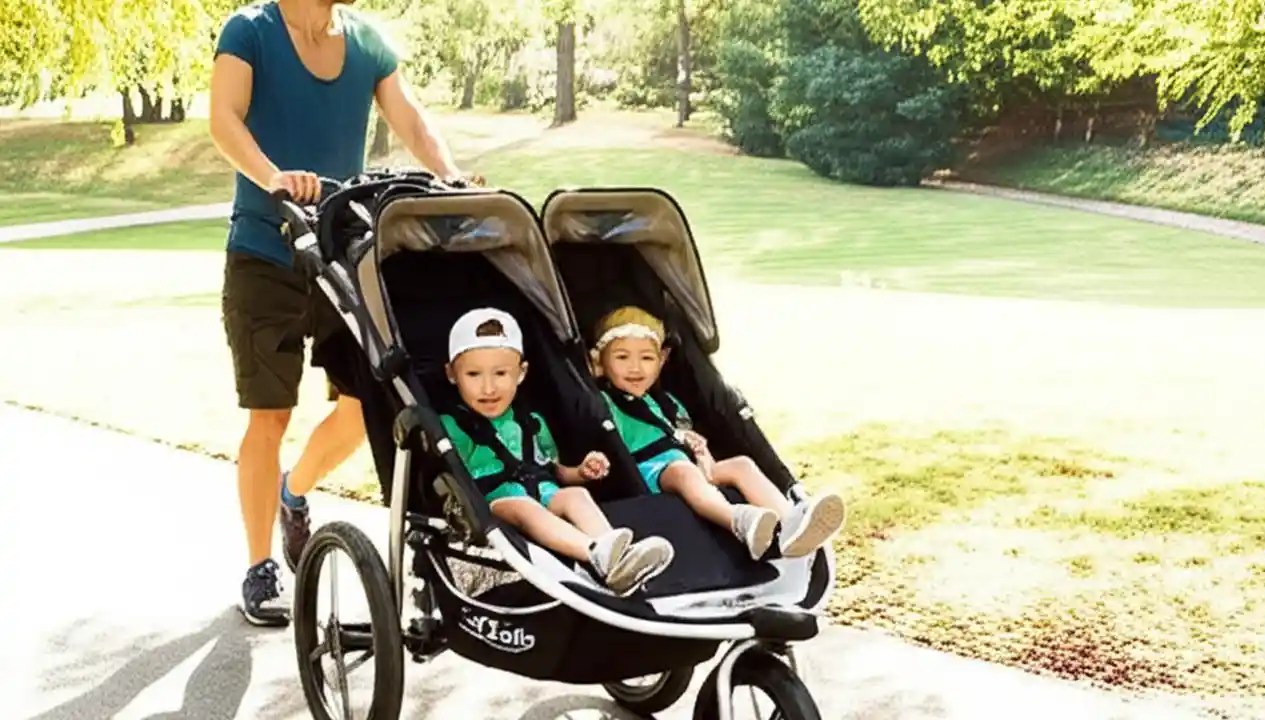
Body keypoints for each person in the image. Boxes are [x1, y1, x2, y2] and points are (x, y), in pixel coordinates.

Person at [209, 0, 475, 626]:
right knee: (269, 415)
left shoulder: (366, 40)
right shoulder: (251, 31)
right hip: (262, 254)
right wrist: (274, 177)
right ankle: (258, 570)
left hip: (341, 253)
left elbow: (409, 116)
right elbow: (224, 120)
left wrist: (453, 178)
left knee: (367, 403)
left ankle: (293, 492)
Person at [439, 308, 676, 597]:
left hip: (541, 489)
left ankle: (619, 555)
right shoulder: (452, 426)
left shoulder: (532, 421)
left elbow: (552, 469)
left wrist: (580, 472)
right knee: (526, 508)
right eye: (473, 374)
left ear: (521, 373)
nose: (488, 387)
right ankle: (596, 554)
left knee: (574, 495)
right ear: (452, 375)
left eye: (501, 373)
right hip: (494, 502)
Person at [591, 306, 847, 561]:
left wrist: (702, 454)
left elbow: (684, 436)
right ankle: (738, 520)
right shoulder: (605, 403)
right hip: (649, 469)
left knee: (742, 465)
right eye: (622, 358)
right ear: (599, 363)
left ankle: (791, 523)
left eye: (646, 358)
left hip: (687, 462)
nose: (635, 368)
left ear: (662, 360)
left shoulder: (667, 403)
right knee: (684, 472)